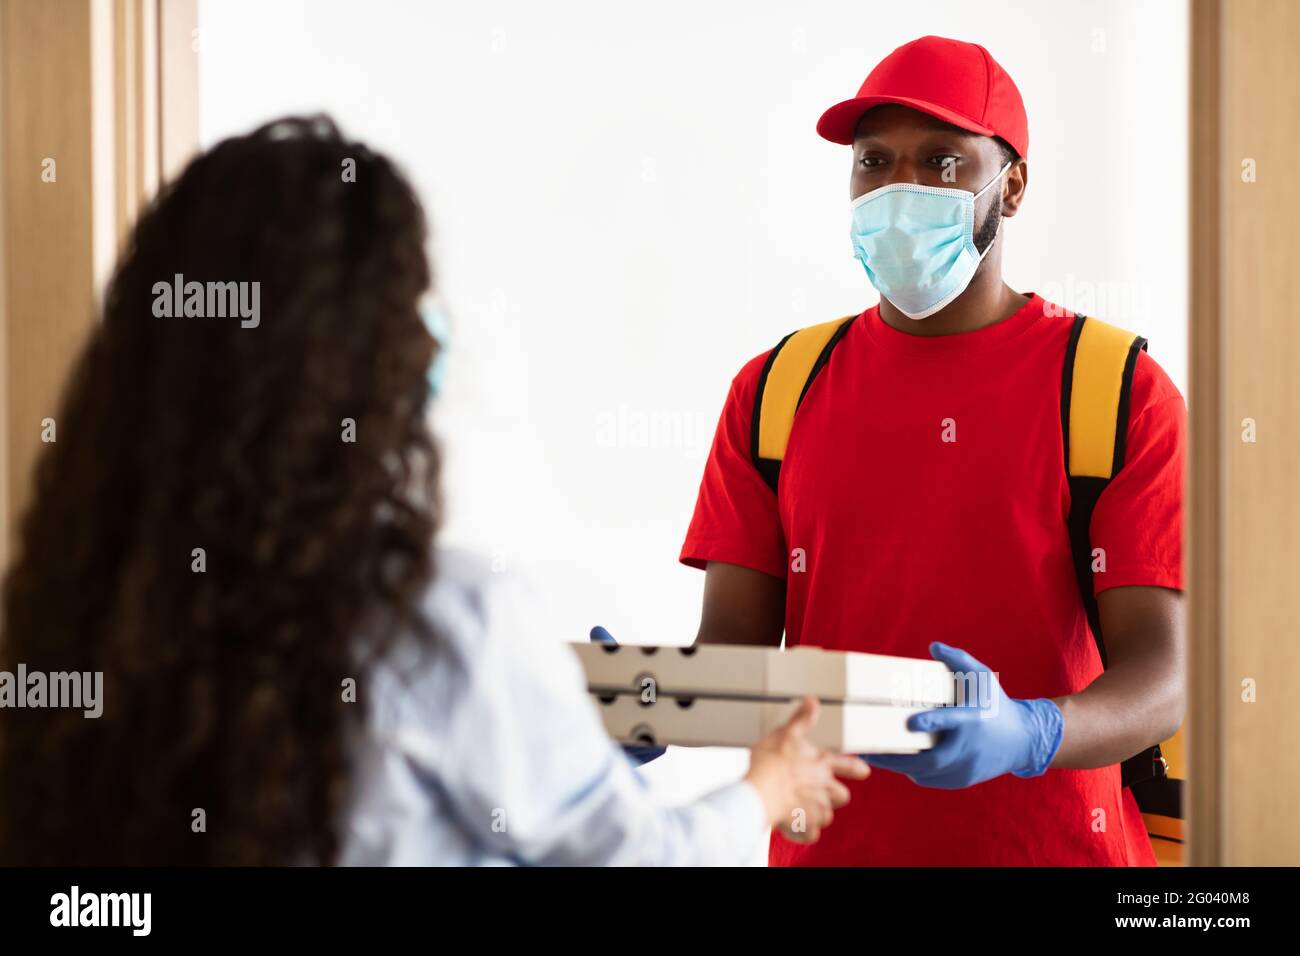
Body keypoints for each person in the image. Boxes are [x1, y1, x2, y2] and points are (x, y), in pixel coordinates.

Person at [0, 115, 866, 866]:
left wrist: (550, 735)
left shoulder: (64, 607)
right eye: (413, 297)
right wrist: (765, 788)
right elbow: (630, 857)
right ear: (363, 357)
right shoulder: (443, 618)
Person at [679, 36, 1186, 866]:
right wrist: (637, 705)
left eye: (943, 162)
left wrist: (1032, 731)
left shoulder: (1113, 389)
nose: (900, 188)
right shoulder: (776, 389)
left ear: (1009, 187)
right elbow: (733, 652)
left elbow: (1164, 680)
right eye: (873, 161)